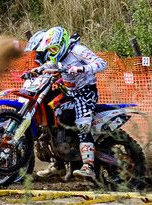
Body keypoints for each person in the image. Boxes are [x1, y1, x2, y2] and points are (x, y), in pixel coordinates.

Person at [31, 27, 107, 179]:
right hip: (69, 92)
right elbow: (51, 65)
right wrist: (37, 70)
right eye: (50, 49)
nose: (52, 52)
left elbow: (101, 63)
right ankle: (60, 162)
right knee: (56, 120)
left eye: (54, 48)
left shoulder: (77, 50)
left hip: (86, 92)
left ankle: (89, 167)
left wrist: (81, 68)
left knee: (82, 125)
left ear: (63, 42)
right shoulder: (57, 55)